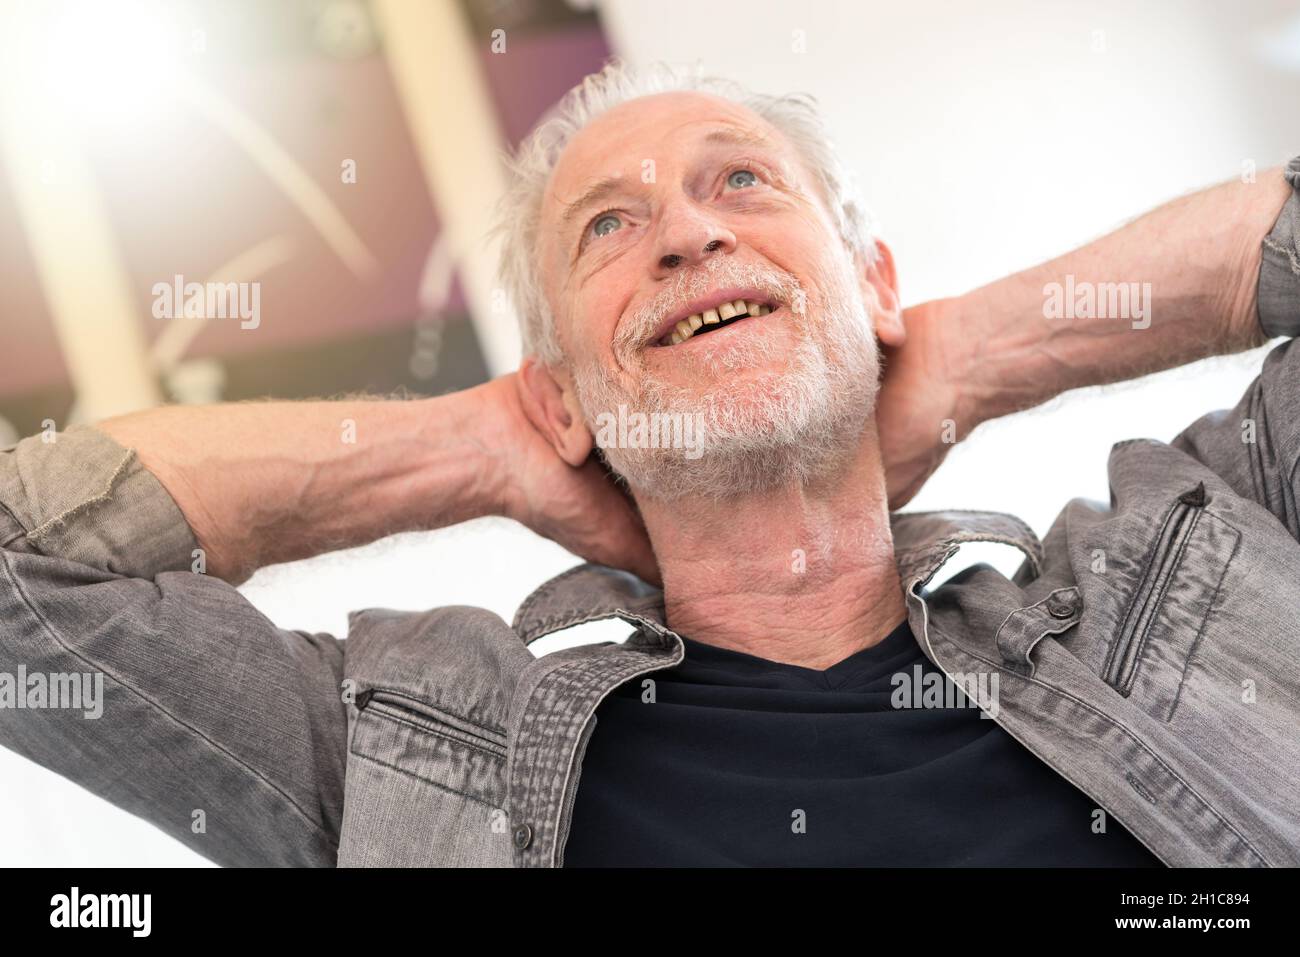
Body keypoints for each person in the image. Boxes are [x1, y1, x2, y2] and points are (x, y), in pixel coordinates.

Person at [1, 62, 1297, 867]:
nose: (687, 232)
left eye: (741, 182)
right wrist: (495, 442)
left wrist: (968, 354)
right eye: (610, 226)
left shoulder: (1182, 572)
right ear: (556, 391)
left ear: (875, 282)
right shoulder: (393, 751)